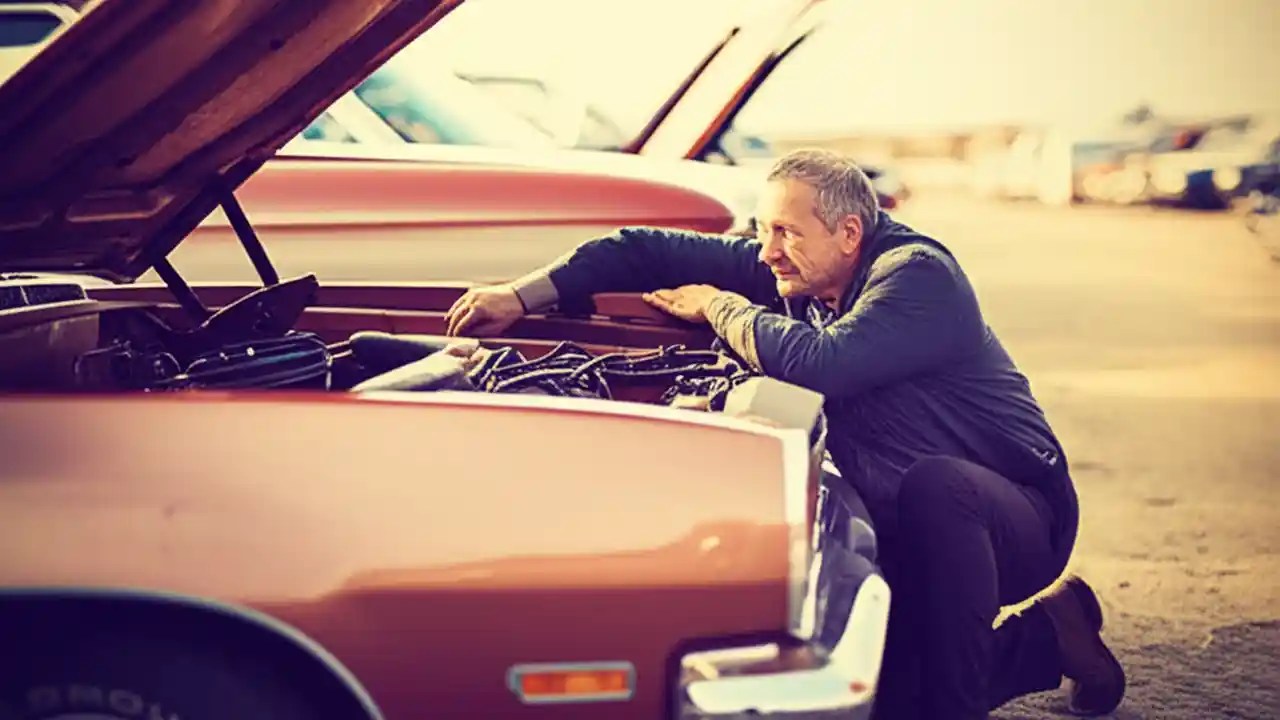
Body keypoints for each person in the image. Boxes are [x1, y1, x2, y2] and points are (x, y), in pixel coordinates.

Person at [445, 148, 1126, 719]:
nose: (767, 253)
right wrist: (521, 295)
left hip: (1012, 517)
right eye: (764, 232)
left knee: (938, 504)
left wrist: (720, 307)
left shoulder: (918, 278)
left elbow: (823, 364)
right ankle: (1050, 636)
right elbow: (645, 250)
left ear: (850, 234)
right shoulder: (800, 270)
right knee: (878, 704)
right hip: (910, 528)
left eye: (785, 235)